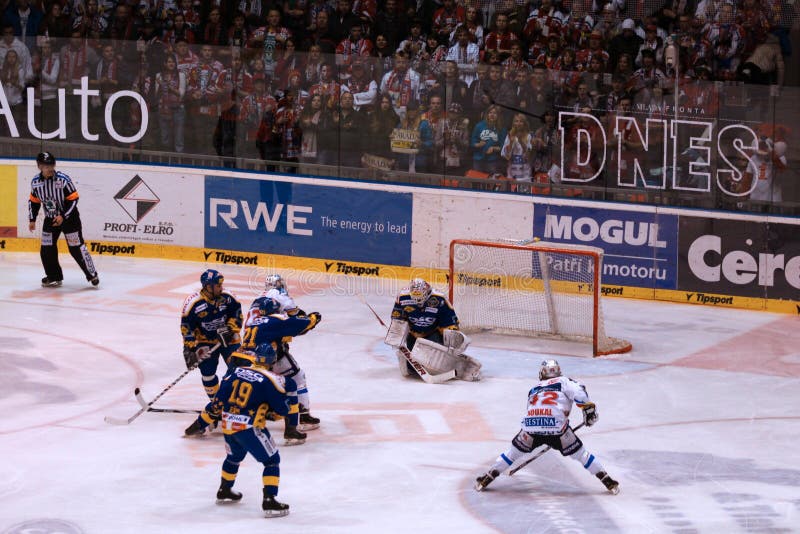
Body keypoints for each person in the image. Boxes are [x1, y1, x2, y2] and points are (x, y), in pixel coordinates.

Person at [185, 295, 321, 443]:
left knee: (223, 395)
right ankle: (291, 430)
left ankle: (197, 426)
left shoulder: (254, 322)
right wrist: (314, 318)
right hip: (255, 364)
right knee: (290, 386)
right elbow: (300, 324)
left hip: (237, 358)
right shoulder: (275, 320)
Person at [474, 359, 620, 495]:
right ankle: (607, 480)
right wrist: (589, 411)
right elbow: (579, 393)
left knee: (512, 454)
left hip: (531, 428)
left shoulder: (534, 389)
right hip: (557, 429)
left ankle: (488, 477)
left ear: (543, 373)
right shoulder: (564, 381)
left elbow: (531, 409)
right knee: (581, 455)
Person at [211, 343, 296, 517]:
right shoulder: (271, 379)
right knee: (272, 461)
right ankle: (269, 501)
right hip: (249, 427)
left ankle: (224, 490)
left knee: (233, 457)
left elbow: (218, 401)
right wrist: (276, 411)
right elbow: (282, 410)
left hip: (228, 424)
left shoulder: (236, 371)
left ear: (256, 357)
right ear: (271, 360)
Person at [384, 278, 481, 381]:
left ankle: (459, 367)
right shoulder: (403, 297)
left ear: (427, 293)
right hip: (413, 334)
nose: (418, 301)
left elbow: (450, 322)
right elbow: (398, 318)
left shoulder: (439, 299)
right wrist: (397, 334)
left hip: (433, 333)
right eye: (415, 298)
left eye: (420, 298)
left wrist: (450, 337)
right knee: (410, 367)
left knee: (432, 364)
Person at [28, 152, 99, 288]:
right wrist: (32, 219)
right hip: (50, 220)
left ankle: (92, 274)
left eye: (51, 165)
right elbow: (34, 201)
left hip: (69, 219)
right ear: (39, 167)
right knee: (46, 249)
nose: (50, 168)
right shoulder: (35, 182)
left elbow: (74, 199)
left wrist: (63, 216)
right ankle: (54, 277)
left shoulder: (63, 180)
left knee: (75, 248)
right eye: (46, 166)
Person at [180, 269, 243, 401]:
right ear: (209, 286)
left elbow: (237, 316)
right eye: (218, 285)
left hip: (229, 339)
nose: (221, 288)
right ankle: (216, 404)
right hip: (205, 341)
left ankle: (237, 401)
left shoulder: (228, 297)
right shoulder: (193, 303)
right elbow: (187, 327)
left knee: (239, 369)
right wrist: (190, 348)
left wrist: (229, 329)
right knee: (207, 374)